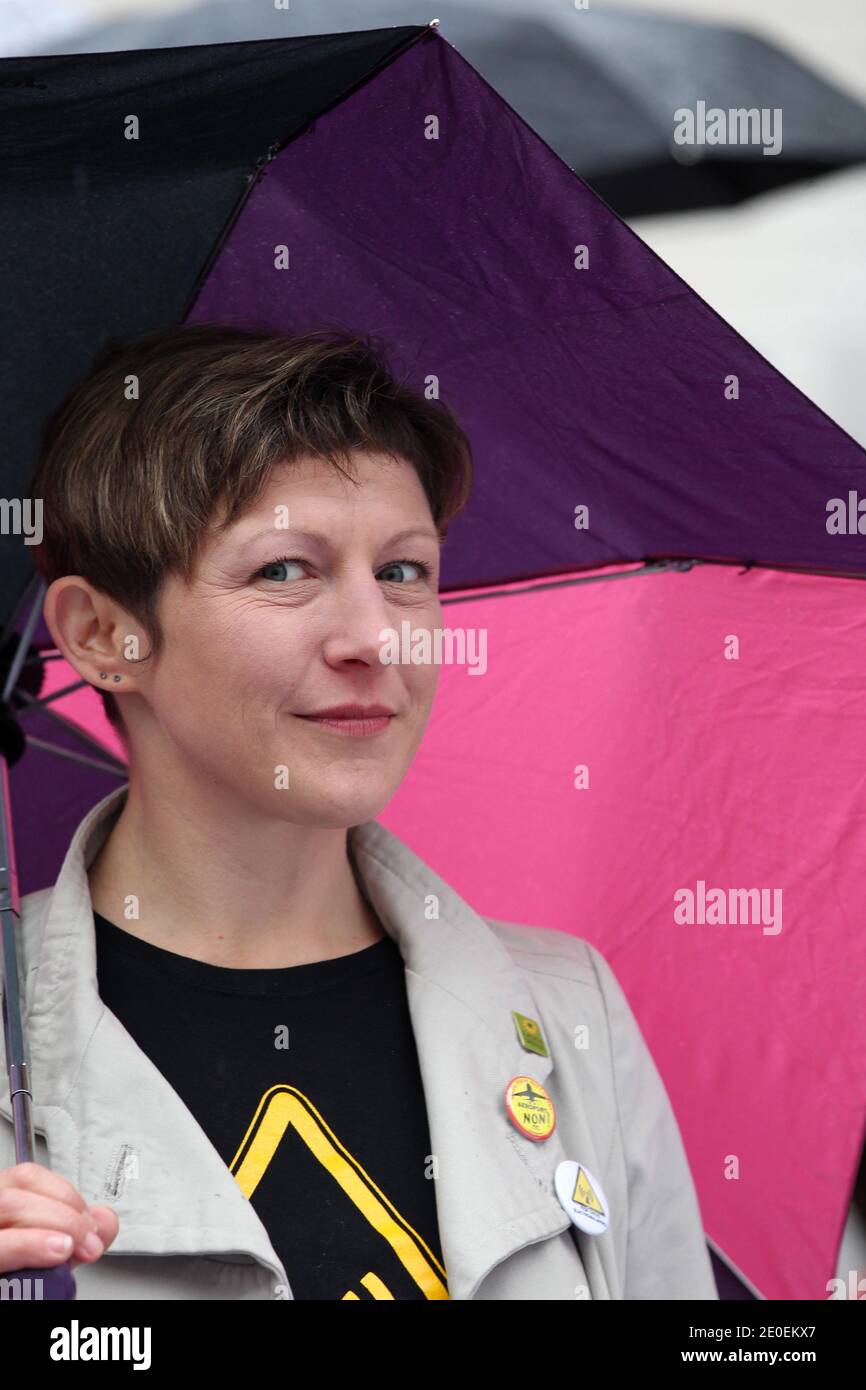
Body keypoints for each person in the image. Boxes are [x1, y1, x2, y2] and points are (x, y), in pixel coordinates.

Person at [0, 322, 718, 1300]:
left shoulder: (566, 1009)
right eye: (285, 570)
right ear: (102, 633)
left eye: (402, 570)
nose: (376, 637)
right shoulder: (11, 1052)